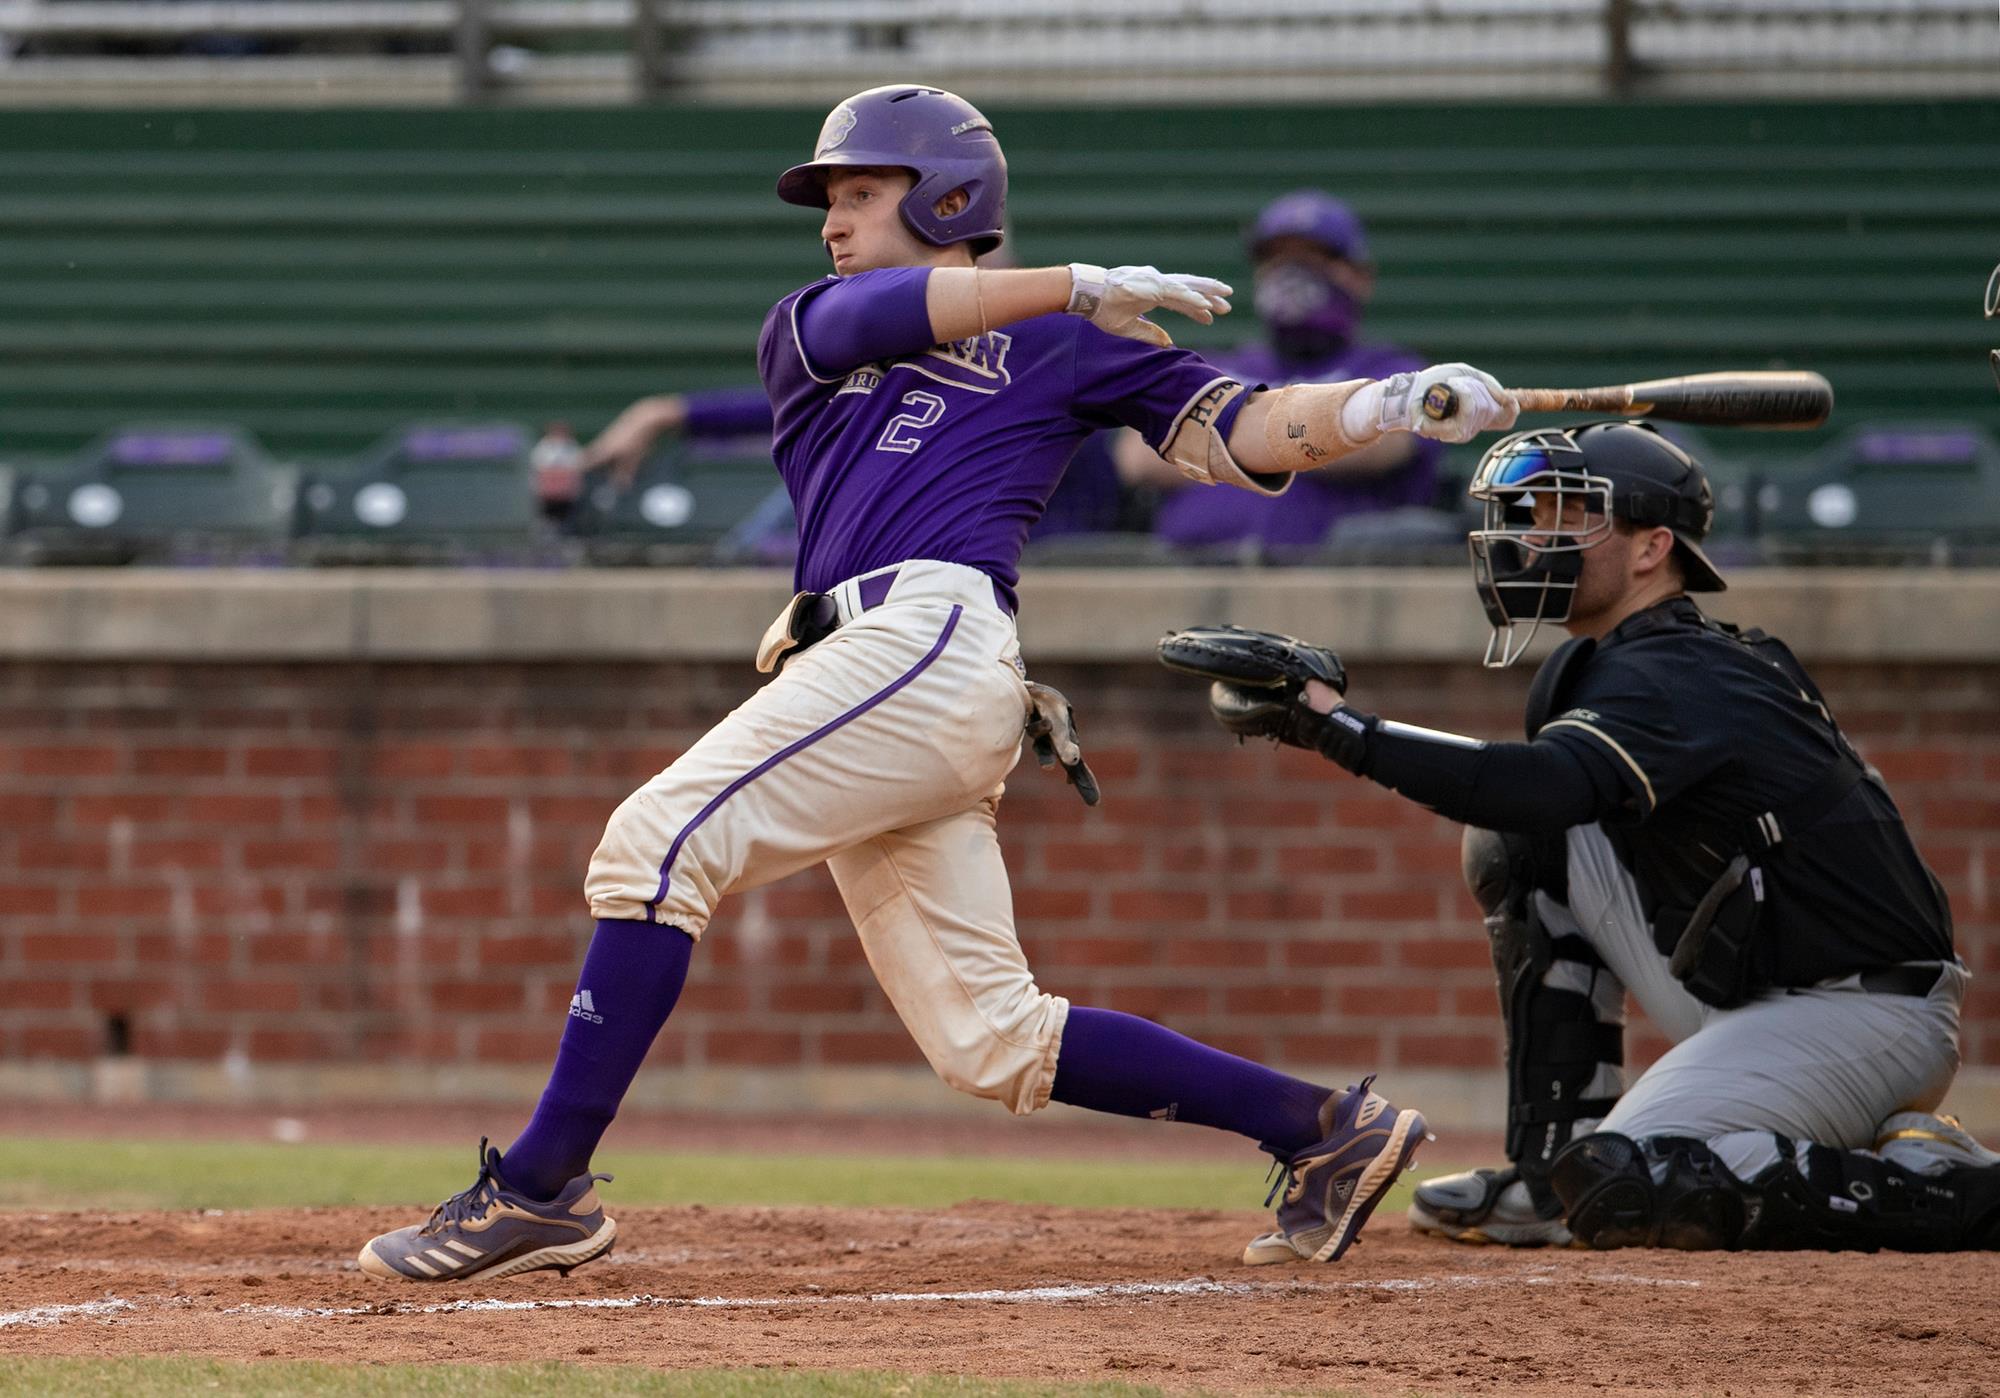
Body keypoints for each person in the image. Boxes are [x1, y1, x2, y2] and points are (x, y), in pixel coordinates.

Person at [354, 83, 1519, 1283]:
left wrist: (1381, 405)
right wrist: (1070, 281)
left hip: (927, 640)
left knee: (653, 846)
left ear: (949, 200)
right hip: (869, 669)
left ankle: (540, 1187)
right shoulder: (813, 321)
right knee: (991, 1040)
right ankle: (1322, 1129)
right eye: (830, 198)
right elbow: (907, 307)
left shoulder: (1068, 341)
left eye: (862, 193)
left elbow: (1248, 426)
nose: (831, 220)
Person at [1170, 420, 1999, 1252]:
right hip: (1753, 986)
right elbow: (1534, 804)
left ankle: (1944, 1185)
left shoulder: (1682, 670)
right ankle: (1546, 1172)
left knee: (1627, 1183)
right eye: (1534, 515)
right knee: (1522, 844)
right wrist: (1334, 725)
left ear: (1652, 549)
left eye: (1568, 516)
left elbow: (1535, 779)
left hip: (1864, 1012)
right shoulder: (1612, 664)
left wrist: (1337, 726)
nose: (1535, 537)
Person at [1115, 191, 1443, 553]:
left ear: (1360, 275)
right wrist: (1315, 437)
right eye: (1276, 259)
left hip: (1329, 577)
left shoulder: (1392, 371)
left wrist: (1215, 439)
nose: (1291, 273)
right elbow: (1139, 457)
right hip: (1185, 573)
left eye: (1312, 258)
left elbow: (1384, 442)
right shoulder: (1212, 367)